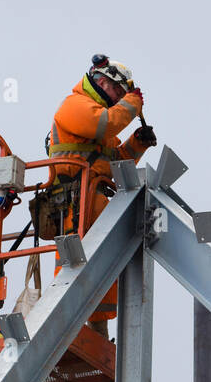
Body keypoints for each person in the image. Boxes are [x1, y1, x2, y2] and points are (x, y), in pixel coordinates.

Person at [38, 54, 157, 335]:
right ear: (102, 82)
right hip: (73, 204)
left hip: (96, 202)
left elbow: (114, 161)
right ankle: (67, 333)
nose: (119, 99)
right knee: (72, 270)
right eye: (117, 92)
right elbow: (107, 122)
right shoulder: (75, 105)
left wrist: (136, 145)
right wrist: (133, 103)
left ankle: (97, 337)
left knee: (103, 274)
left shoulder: (98, 119)